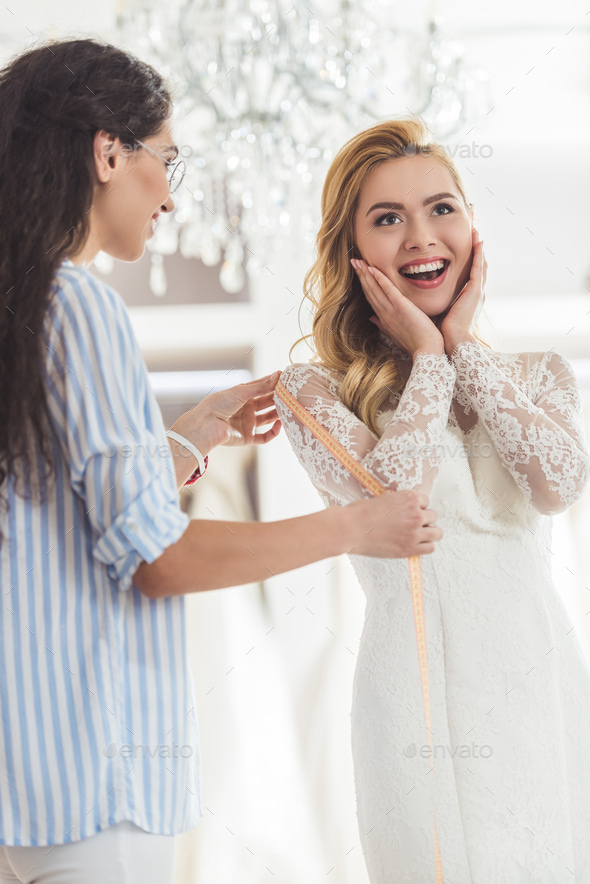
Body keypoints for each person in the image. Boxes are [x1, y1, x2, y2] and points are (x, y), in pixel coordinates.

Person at [0, 40, 443, 884]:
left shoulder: (21, 306)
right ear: (106, 152)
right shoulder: (82, 307)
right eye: (166, 160)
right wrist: (355, 525)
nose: (170, 193)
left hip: (23, 782)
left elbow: (56, 516)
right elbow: (156, 562)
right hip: (100, 775)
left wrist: (185, 438)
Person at [273, 116, 590, 882]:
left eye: (441, 208)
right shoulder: (313, 390)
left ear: (473, 228)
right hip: (416, 708)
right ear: (352, 252)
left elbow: (559, 488)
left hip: (542, 694)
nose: (421, 237)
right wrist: (425, 357)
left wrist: (462, 347)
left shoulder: (539, 374)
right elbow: (396, 508)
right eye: (388, 218)